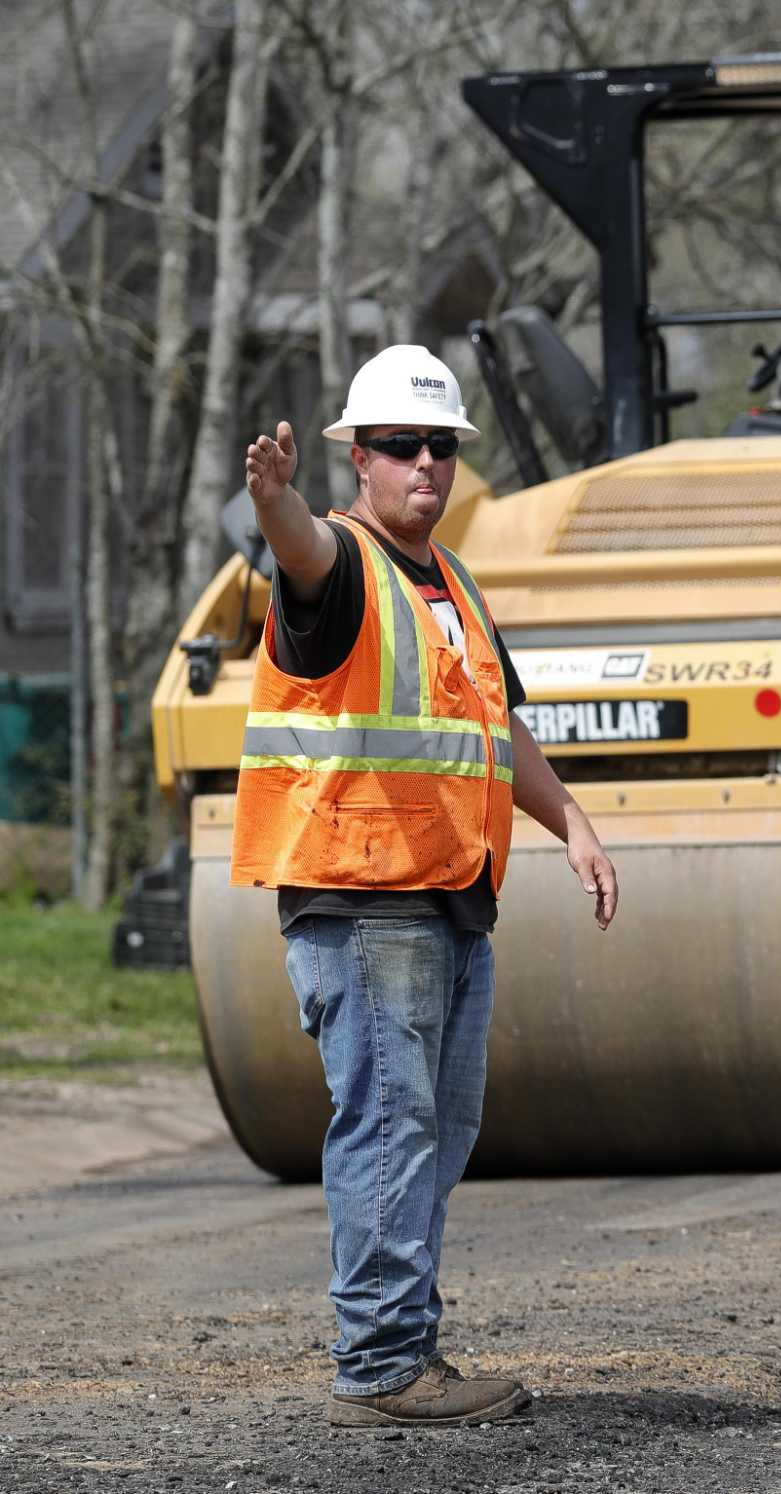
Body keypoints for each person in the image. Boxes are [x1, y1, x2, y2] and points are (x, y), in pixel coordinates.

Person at [233, 345, 620, 1428]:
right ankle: (381, 1367)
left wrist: (572, 820)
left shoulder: (452, 584)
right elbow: (302, 553)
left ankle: (404, 1345)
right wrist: (274, 505)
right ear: (358, 458)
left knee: (435, 1133)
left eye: (438, 446)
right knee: (390, 1128)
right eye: (399, 446)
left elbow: (498, 727)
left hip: (449, 900)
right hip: (364, 901)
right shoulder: (342, 564)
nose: (423, 465)